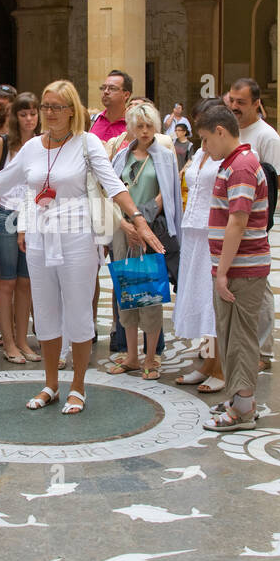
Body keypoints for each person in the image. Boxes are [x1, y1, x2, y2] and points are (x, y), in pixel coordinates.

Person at [0, 79, 164, 414]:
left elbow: (112, 184)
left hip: (76, 236)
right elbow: (1, 181)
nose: (49, 113)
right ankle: (50, 383)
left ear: (72, 109)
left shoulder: (87, 142)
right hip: (38, 236)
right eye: (46, 106)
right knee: (45, 313)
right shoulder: (32, 147)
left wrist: (139, 218)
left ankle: (77, 386)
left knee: (77, 311)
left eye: (57, 107)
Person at [196, 103, 271, 431]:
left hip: (242, 268)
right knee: (229, 334)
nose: (204, 147)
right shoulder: (232, 163)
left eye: (206, 139)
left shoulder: (240, 166)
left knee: (239, 337)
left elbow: (237, 222)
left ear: (221, 131)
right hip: (234, 267)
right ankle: (240, 399)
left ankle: (243, 410)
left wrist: (223, 272)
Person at [107, 101, 183, 380]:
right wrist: (124, 224)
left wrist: (142, 222)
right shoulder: (122, 156)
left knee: (150, 296)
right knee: (126, 294)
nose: (144, 130)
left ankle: (152, 357)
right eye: (139, 125)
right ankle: (131, 356)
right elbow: (112, 192)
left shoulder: (164, 156)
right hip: (123, 232)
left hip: (151, 231)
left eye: (149, 125)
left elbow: (167, 195)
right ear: (131, 128)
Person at [229, 78, 280, 369]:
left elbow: (279, 180)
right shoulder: (228, 130)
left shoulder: (267, 137)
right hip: (227, 221)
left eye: (241, 102)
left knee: (259, 286)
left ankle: (263, 350)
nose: (235, 107)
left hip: (253, 225)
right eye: (232, 100)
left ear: (256, 104)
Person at [0, 93, 42, 363]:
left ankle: (23, 340)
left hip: (33, 217)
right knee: (6, 282)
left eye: (33, 113)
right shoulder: (3, 143)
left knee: (26, 282)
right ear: (15, 117)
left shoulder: (44, 143)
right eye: (23, 114)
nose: (29, 119)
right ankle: (8, 343)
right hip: (6, 215)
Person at [175, 99, 225, 394]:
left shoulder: (227, 153)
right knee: (197, 297)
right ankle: (206, 362)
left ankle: (219, 367)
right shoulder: (201, 151)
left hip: (213, 232)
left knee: (211, 302)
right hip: (194, 231)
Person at [91, 70, 132, 143]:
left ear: (126, 95)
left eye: (112, 88)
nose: (106, 92)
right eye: (103, 88)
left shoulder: (134, 125)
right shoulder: (92, 121)